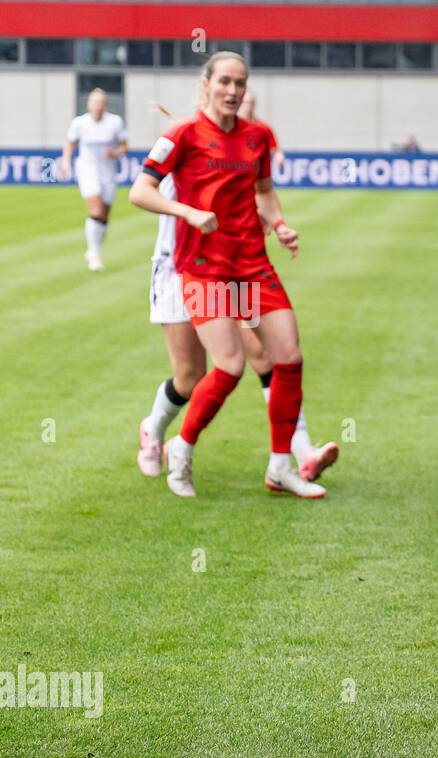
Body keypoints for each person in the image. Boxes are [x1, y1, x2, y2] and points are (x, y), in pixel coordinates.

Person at [129, 51, 327, 499]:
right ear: (207, 84)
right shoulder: (181, 134)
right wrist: (188, 212)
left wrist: (280, 226)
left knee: (288, 358)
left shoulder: (257, 137)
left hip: (252, 267)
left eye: (240, 83)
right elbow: (140, 191)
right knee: (226, 367)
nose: (233, 91)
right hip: (203, 269)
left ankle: (282, 466)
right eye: (225, 82)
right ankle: (180, 447)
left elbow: (264, 191)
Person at [60, 89, 127, 271]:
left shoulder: (115, 122)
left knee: (104, 215)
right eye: (94, 102)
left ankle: (94, 247)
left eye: (100, 102)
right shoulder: (80, 123)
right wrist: (66, 161)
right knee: (96, 209)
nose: (97, 106)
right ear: (89, 104)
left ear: (105, 105)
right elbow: (70, 142)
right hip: (87, 170)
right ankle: (94, 253)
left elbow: (124, 146)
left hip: (108, 171)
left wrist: (114, 152)